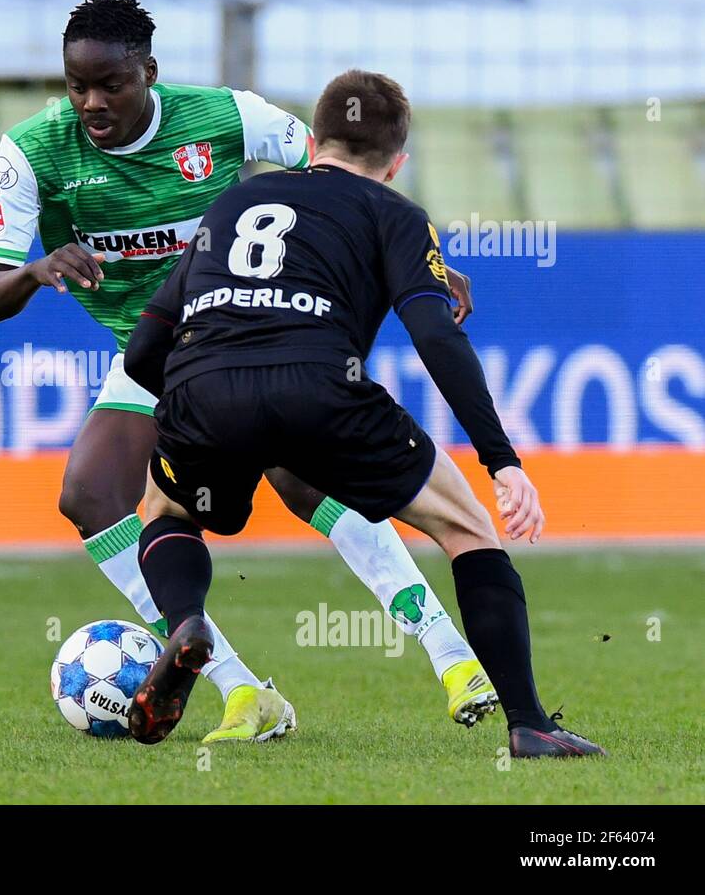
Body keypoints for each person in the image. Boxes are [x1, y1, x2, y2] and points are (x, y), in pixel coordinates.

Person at [0, 0, 494, 743]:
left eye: (110, 85)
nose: (91, 102)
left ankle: (451, 655)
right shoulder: (33, 153)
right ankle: (240, 691)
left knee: (299, 476)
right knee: (89, 492)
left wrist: (425, 260)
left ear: (148, 72)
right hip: (153, 354)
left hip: (255, 330)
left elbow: (342, 172)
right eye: (75, 85)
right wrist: (38, 269)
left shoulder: (227, 118)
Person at [122, 68, 605, 758]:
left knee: (165, 512)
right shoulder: (395, 215)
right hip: (322, 388)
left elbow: (145, 349)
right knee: (468, 528)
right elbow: (436, 336)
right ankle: (528, 724)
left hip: (204, 386)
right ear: (396, 163)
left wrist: (207, 407)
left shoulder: (234, 204)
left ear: (312, 140)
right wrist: (501, 461)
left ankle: (188, 622)